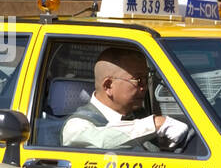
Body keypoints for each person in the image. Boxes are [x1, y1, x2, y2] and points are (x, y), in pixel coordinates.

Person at [61, 47, 190, 151]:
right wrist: (154, 124)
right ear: (108, 86)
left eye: (147, 79)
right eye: (139, 80)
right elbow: (102, 140)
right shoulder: (76, 125)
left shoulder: (139, 115)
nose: (144, 88)